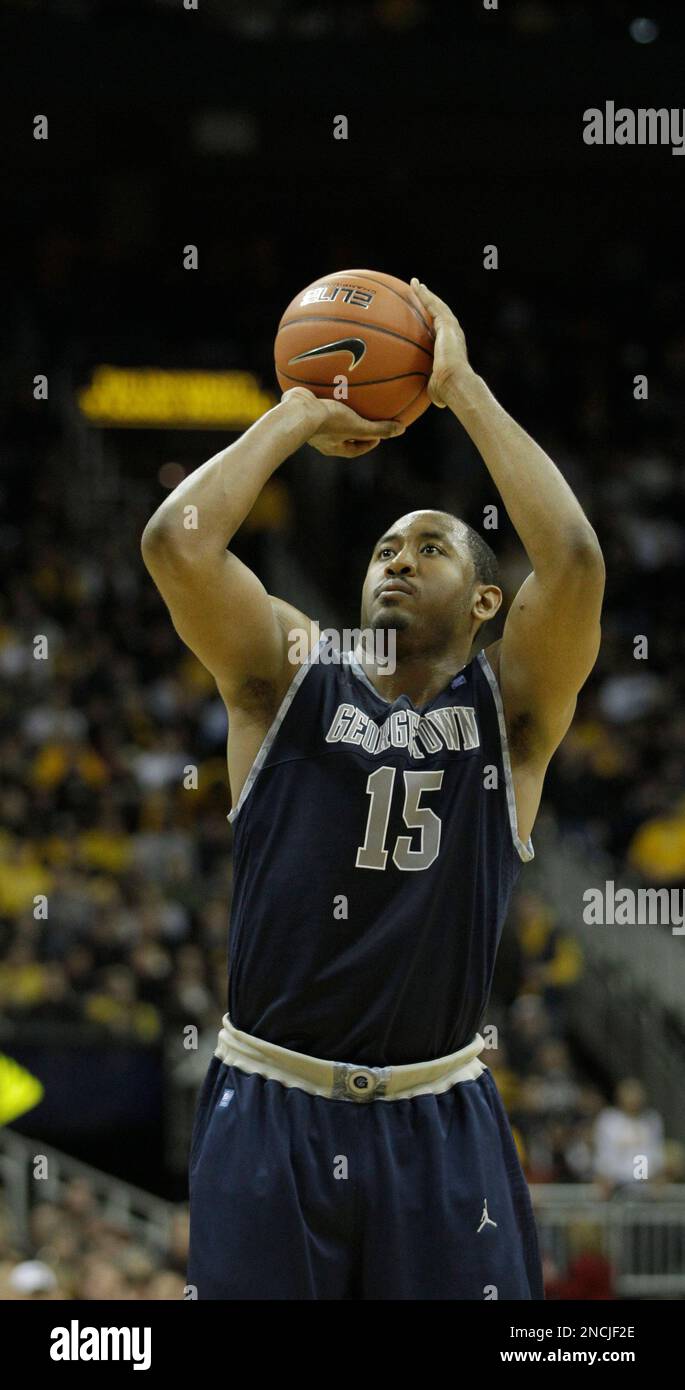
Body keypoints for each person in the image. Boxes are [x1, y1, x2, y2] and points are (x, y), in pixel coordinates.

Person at [141, 278, 605, 1299]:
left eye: (429, 546)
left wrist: (462, 388)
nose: (397, 558)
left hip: (439, 1114)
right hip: (271, 1097)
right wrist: (298, 409)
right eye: (386, 547)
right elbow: (176, 544)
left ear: (486, 599)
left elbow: (570, 559)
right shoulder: (286, 672)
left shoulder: (511, 711)